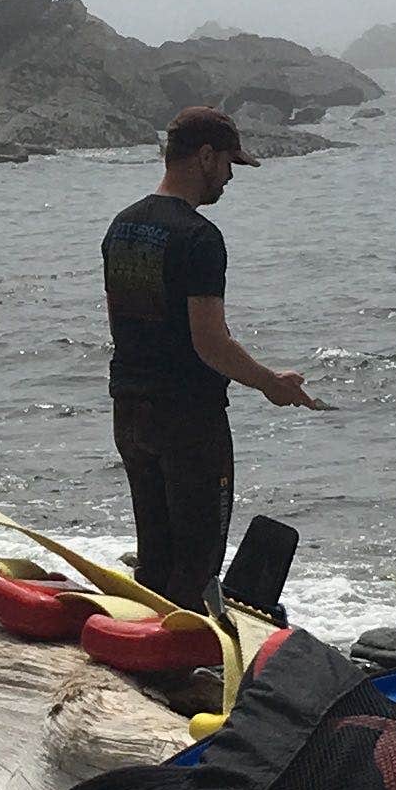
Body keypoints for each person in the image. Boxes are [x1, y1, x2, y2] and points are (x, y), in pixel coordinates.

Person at [101, 105, 323, 613]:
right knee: (197, 565)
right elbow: (210, 342)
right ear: (204, 156)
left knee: (155, 558)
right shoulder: (200, 238)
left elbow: (121, 323)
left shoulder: (123, 227)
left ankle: (143, 655)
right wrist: (271, 383)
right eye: (227, 163)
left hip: (129, 411)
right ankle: (185, 668)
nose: (228, 177)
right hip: (188, 421)